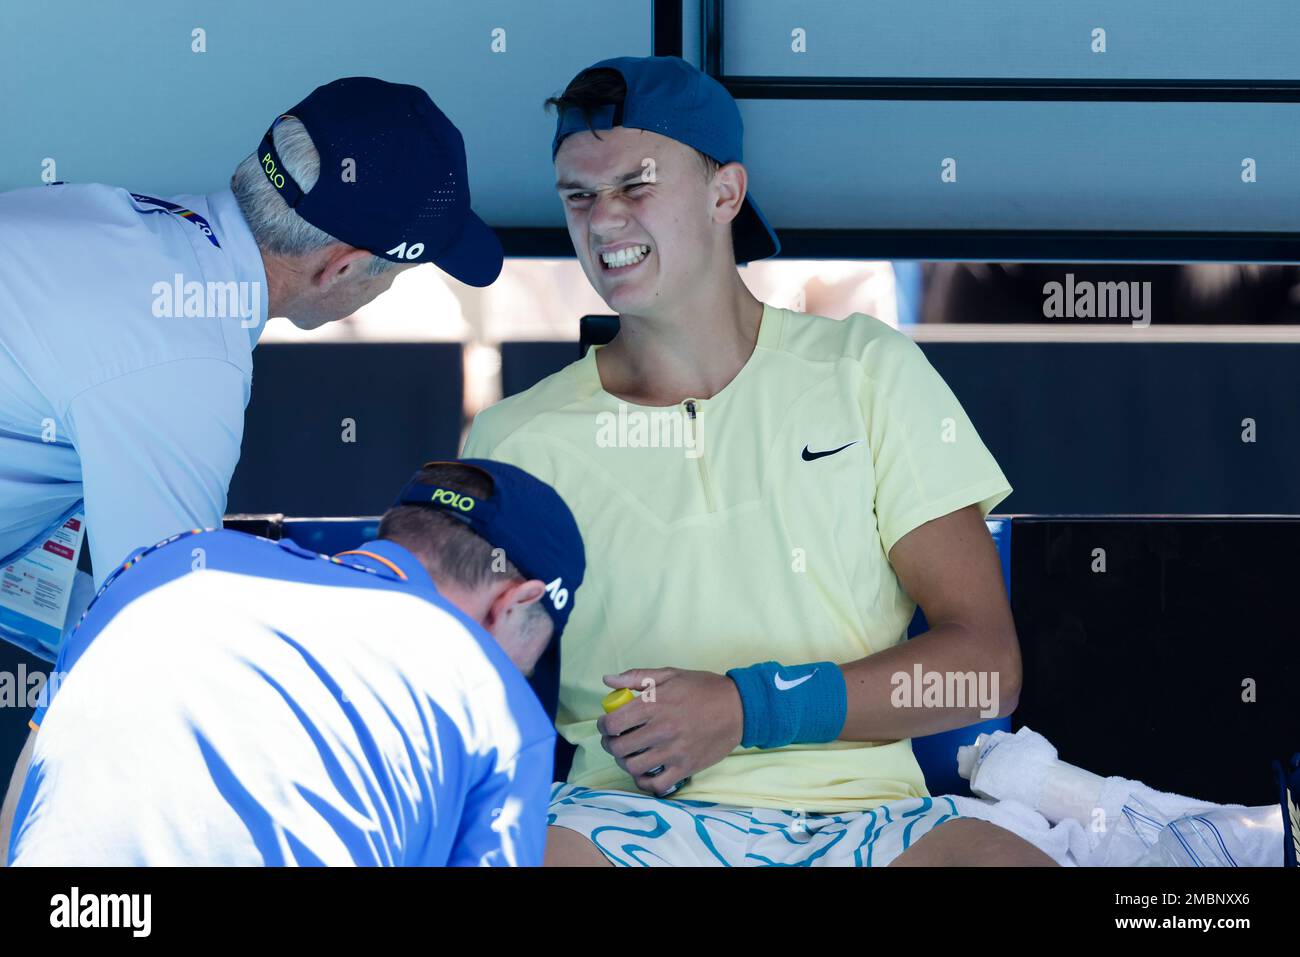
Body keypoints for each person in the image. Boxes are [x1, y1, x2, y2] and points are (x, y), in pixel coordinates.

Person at [463, 55, 1055, 866]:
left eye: (636, 187)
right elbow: (465, 695)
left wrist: (748, 708)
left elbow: (985, 673)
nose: (602, 222)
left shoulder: (866, 368)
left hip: (872, 822)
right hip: (620, 821)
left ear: (724, 194)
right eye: (579, 196)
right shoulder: (512, 439)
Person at [0, 76, 502, 658]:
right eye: (390, 275)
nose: (381, 291)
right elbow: (155, 645)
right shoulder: (184, 360)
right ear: (340, 269)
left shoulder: (104, 218)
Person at [3, 459, 584, 866]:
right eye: (533, 661)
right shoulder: (500, 707)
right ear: (519, 602)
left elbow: (28, 791)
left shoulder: (158, 567)